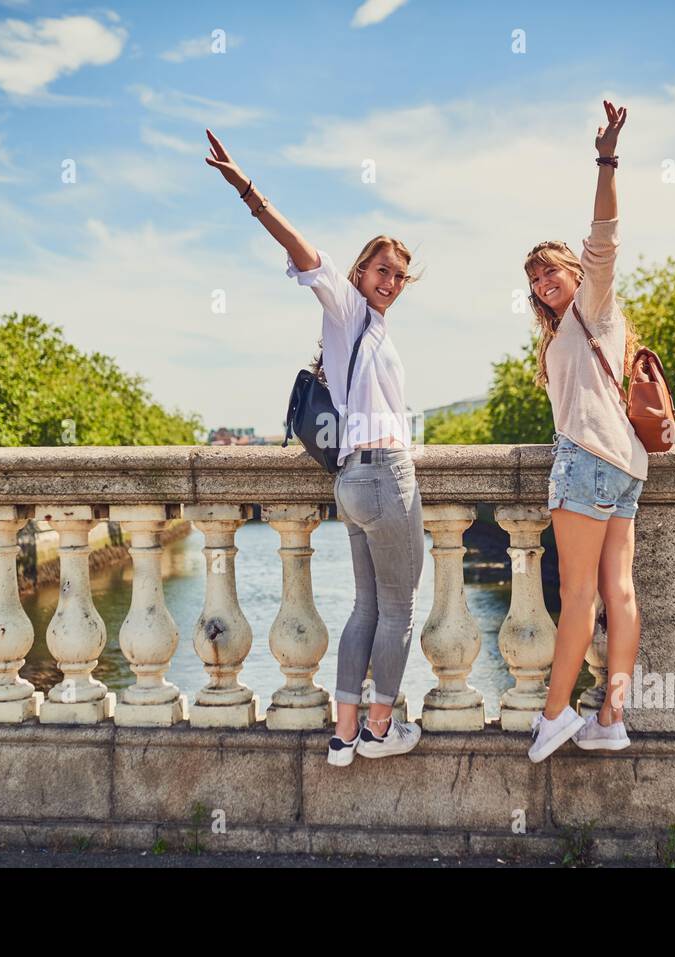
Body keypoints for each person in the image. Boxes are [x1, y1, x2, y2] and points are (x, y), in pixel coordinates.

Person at [204, 130, 426, 765]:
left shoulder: (371, 327)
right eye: (383, 270)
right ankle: (382, 729)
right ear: (359, 272)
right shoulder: (347, 308)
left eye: (400, 276)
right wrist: (247, 189)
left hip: (353, 480)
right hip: (384, 476)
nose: (391, 281)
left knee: (365, 605)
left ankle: (345, 731)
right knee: (400, 608)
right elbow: (299, 248)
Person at [521, 101, 646, 762]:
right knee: (617, 593)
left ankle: (553, 715)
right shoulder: (584, 326)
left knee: (577, 596)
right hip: (624, 464)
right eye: (534, 278)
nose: (543, 282)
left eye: (551, 270)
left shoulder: (594, 304)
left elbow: (605, 234)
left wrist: (606, 158)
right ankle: (612, 717)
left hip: (589, 461)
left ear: (575, 272)